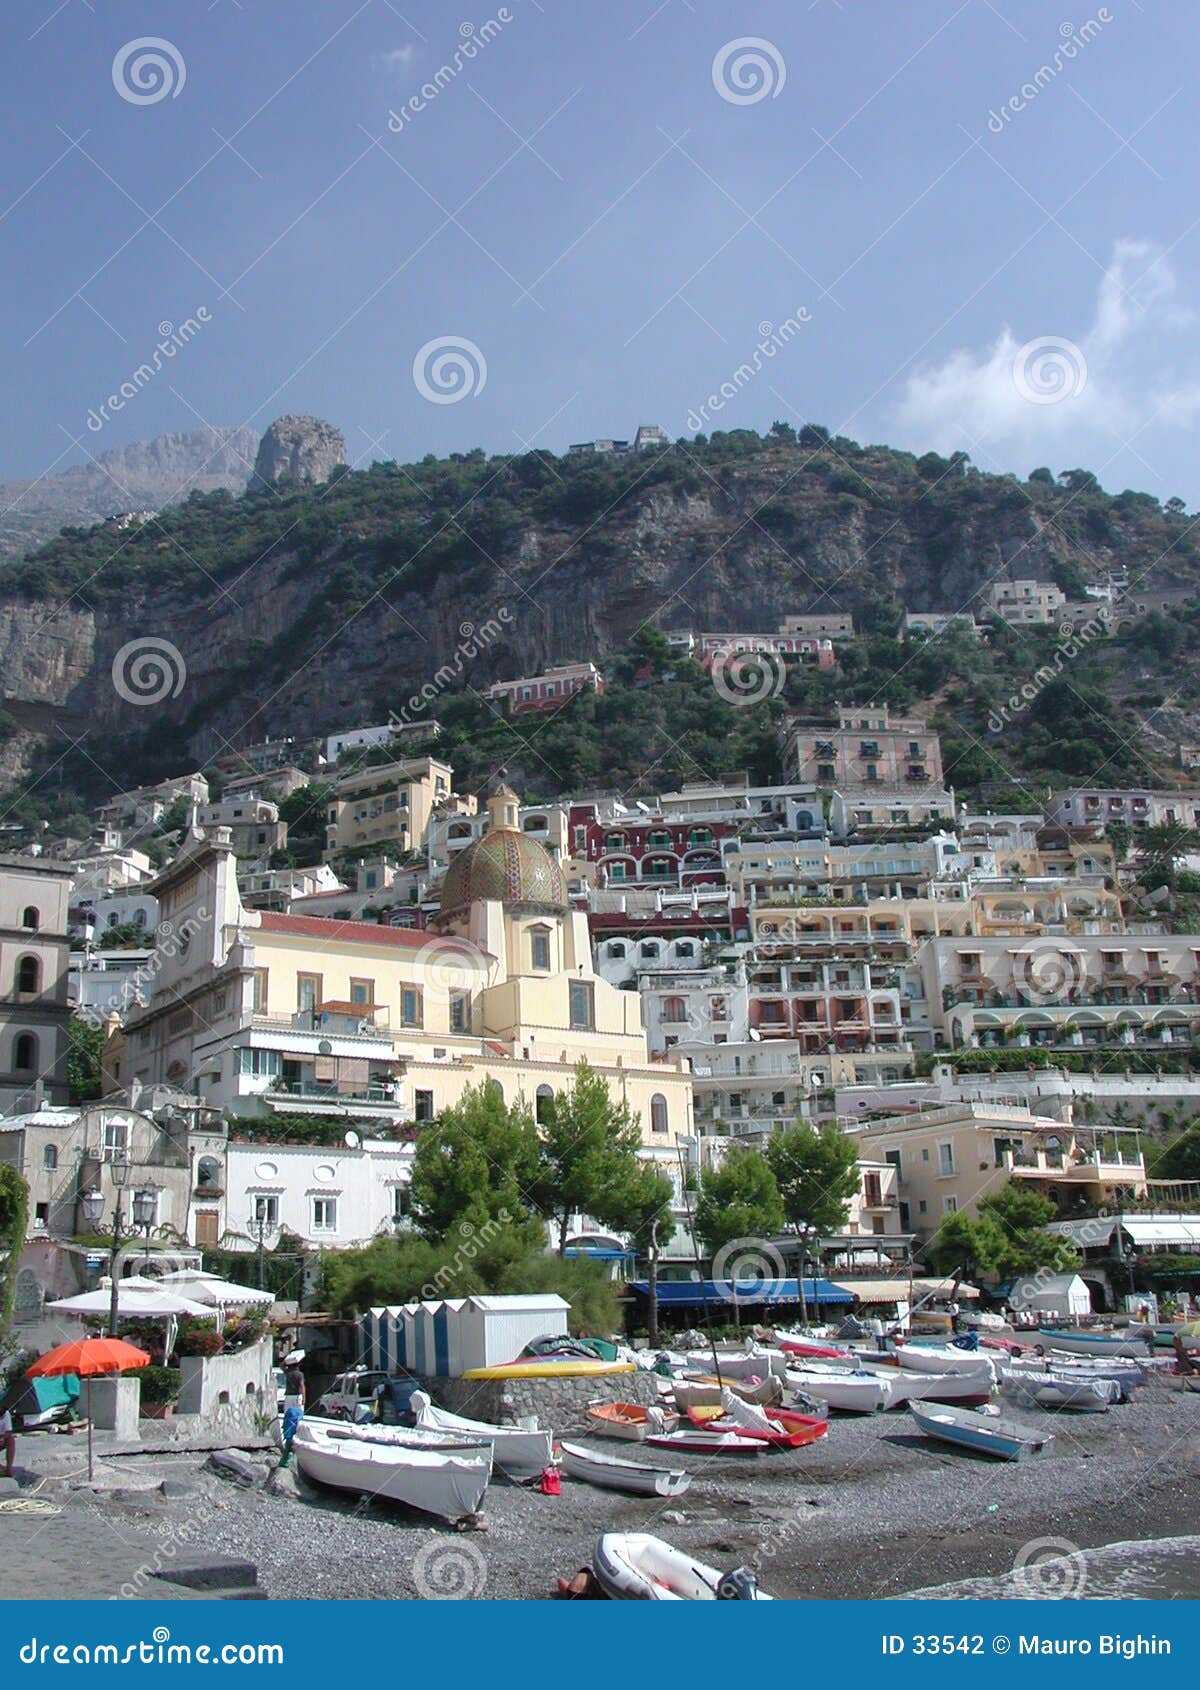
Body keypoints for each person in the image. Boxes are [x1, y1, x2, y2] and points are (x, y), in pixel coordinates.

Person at [0, 1405, 15, 1480]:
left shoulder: (6, 1414)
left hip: (2, 1436)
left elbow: (9, 1431)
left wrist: (3, 1438)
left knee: (11, 1441)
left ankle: (8, 1468)